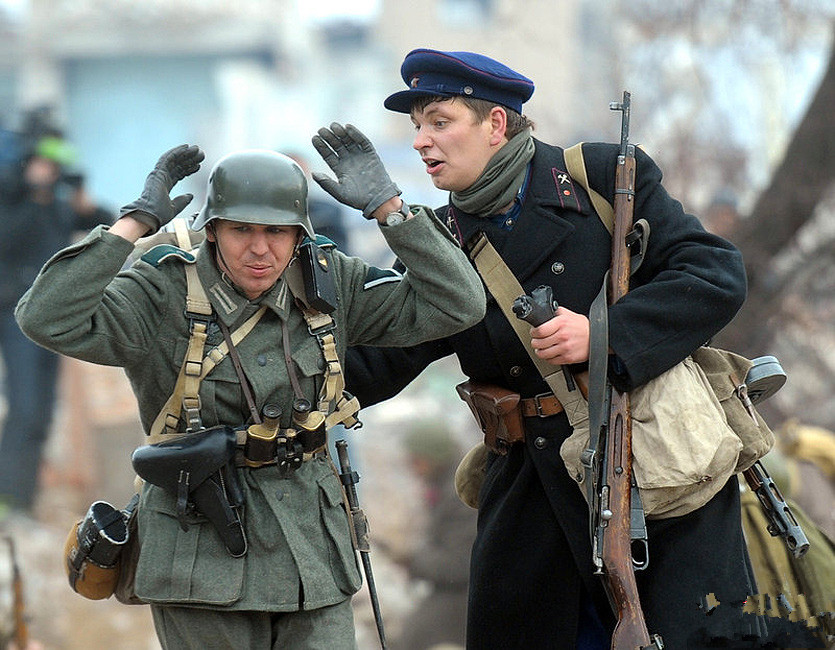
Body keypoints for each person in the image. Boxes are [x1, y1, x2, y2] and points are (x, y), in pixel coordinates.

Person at [341, 48, 801, 649]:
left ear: (496, 124)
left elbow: (714, 273)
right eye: (417, 128)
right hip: (529, 495)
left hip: (649, 470)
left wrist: (603, 335)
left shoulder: (605, 182)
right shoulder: (441, 242)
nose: (422, 142)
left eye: (439, 121)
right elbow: (379, 361)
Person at [14, 134, 486, 649]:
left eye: (277, 232)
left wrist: (391, 210)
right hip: (199, 552)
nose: (260, 249)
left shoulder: (329, 283)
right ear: (212, 230)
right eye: (241, 230)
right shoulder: (163, 292)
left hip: (312, 554)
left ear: (300, 235)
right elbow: (45, 316)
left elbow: (458, 305)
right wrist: (132, 225)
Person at [0, 144, 111, 515]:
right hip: (15, 318)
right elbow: (8, 238)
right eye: (43, 165)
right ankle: (9, 498)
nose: (50, 172)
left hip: (51, 322)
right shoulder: (14, 203)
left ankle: (23, 498)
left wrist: (79, 197)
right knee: (25, 408)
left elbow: (107, 222)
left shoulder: (60, 208)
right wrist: (33, 195)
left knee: (44, 411)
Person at [394, 422, 476, 650]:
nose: (413, 469)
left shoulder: (459, 495)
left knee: (412, 638)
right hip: (457, 588)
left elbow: (459, 566)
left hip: (466, 594)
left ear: (434, 457)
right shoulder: (445, 486)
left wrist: (410, 559)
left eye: (417, 461)